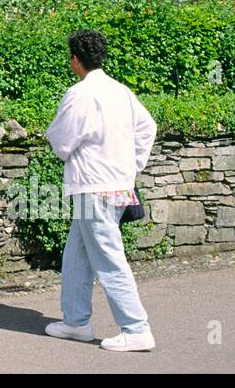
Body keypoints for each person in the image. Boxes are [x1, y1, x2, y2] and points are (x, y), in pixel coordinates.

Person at [43, 29, 157, 352]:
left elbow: (61, 142)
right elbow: (148, 128)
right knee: (77, 253)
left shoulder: (79, 95)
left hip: (93, 187)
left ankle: (136, 328)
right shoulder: (121, 91)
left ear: (76, 60)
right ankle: (76, 322)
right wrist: (131, 166)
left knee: (108, 257)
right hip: (119, 185)